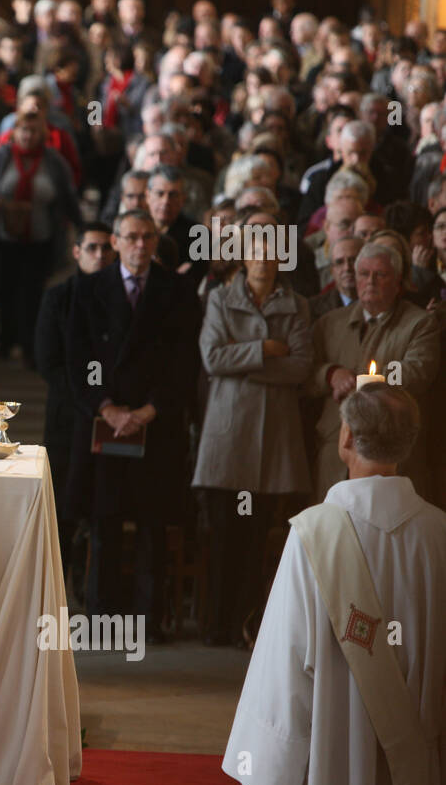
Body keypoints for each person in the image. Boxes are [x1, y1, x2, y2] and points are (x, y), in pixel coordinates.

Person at [223, 384, 445, 785]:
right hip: (420, 768)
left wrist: (274, 766)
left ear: (345, 438)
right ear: (409, 443)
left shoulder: (313, 534)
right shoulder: (439, 533)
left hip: (334, 764)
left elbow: (286, 663)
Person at [66, 210, 200, 642]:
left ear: (156, 240)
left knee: (153, 526)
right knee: (105, 524)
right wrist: (107, 408)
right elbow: (78, 358)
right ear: (117, 242)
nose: (140, 245)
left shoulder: (177, 290)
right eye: (131, 238)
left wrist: (150, 410)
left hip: (156, 423)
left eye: (148, 237)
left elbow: (184, 360)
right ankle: (103, 621)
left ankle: (148, 623)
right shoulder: (88, 289)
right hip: (107, 422)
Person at [192, 233, 314, 647]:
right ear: (243, 258)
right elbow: (211, 358)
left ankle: (247, 624)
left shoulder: (297, 305)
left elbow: (299, 368)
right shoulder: (220, 299)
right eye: (256, 253)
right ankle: (215, 625)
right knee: (223, 532)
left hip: (272, 440)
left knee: (256, 536)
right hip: (228, 438)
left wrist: (240, 359)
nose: (263, 261)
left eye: (271, 253)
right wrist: (264, 348)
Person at [308, 242, 440, 500]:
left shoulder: (419, 324)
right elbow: (305, 373)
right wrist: (330, 374)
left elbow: (417, 372)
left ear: (398, 281)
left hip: (392, 456)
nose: (371, 281)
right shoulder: (328, 323)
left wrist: (365, 382)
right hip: (334, 453)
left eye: (381, 275)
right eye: (364, 274)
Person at [35, 223, 113, 600]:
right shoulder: (58, 297)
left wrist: (107, 403)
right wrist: (89, 400)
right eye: (92, 248)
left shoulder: (118, 296)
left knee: (103, 506)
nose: (100, 255)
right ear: (76, 251)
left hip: (111, 418)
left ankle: (98, 592)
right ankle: (57, 593)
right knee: (64, 506)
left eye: (106, 249)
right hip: (68, 417)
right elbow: (48, 361)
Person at [0, 104, 81, 364]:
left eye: (33, 131)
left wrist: (81, 228)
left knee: (33, 293)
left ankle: (31, 347)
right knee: (6, 290)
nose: (28, 136)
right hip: (5, 235)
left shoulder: (53, 161)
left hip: (41, 236)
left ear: (42, 133)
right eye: (23, 130)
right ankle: (5, 340)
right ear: (14, 132)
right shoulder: (1, 156)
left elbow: (67, 195)